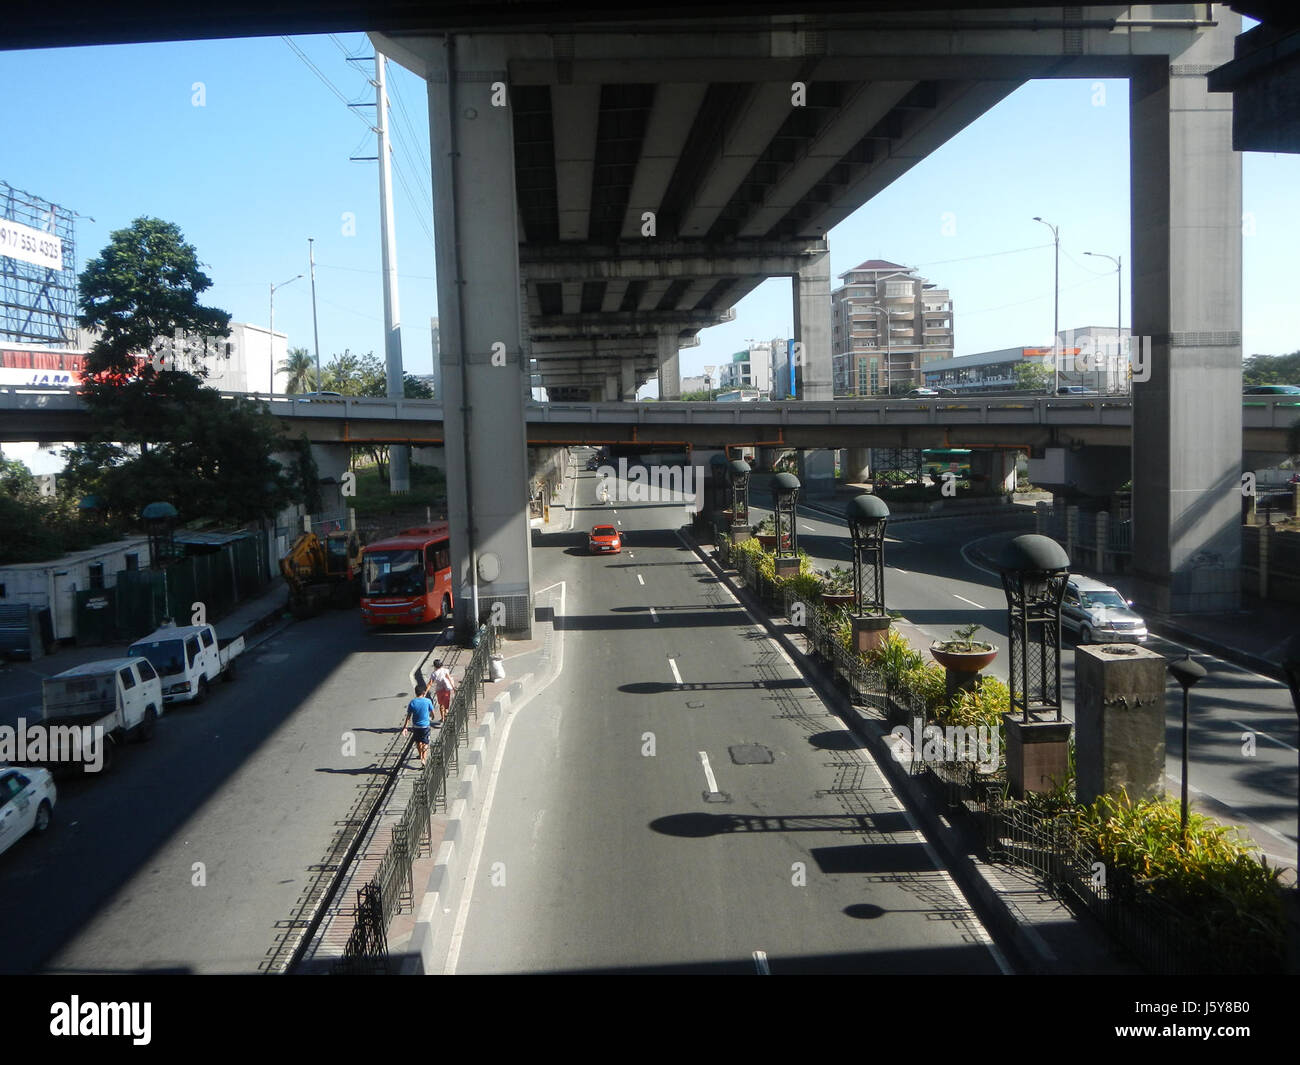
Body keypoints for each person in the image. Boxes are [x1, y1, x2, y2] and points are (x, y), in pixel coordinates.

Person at [404, 685, 436, 766]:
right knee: (425, 742)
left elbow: (408, 716)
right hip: (425, 726)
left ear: (415, 693)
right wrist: (431, 717)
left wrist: (405, 727)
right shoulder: (428, 701)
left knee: (418, 742)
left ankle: (420, 755)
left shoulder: (412, 702)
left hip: (416, 726)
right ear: (424, 692)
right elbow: (433, 713)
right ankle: (423, 759)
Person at [430, 659, 456, 723]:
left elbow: (430, 683)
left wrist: (425, 691)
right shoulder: (445, 671)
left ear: (435, 666)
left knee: (441, 704)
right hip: (446, 690)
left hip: (439, 691)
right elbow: (449, 679)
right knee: (446, 705)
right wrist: (453, 687)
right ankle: (446, 714)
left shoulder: (434, 673)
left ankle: (443, 718)